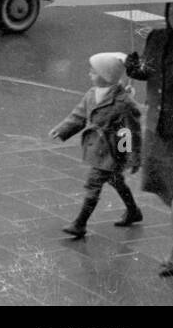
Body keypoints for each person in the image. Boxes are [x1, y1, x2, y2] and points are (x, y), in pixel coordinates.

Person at [50, 52, 144, 238]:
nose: (89, 74)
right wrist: (63, 129)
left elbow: (130, 132)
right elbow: (78, 116)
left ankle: (80, 224)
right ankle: (133, 211)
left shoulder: (123, 102)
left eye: (93, 72)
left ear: (106, 76)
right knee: (116, 181)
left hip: (112, 150)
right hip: (98, 148)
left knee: (93, 184)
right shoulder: (91, 94)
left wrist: (130, 157)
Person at [125, 4, 173, 276]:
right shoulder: (157, 37)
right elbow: (148, 70)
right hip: (158, 128)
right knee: (166, 188)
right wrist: (134, 68)